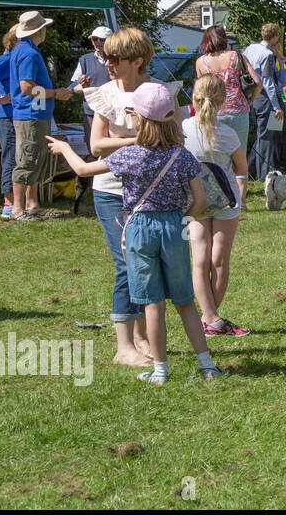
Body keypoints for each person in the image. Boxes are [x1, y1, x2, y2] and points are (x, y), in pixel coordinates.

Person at [47, 82, 224, 383]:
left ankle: (160, 370)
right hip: (173, 226)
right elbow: (200, 201)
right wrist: (181, 214)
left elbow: (83, 171)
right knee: (184, 301)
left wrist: (64, 148)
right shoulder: (181, 156)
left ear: (139, 119)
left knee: (152, 302)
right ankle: (207, 365)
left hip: (140, 227)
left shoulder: (130, 155)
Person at [82, 27, 160, 365]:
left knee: (144, 262)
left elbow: (171, 139)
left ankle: (142, 336)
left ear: (137, 61)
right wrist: (134, 142)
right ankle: (123, 347)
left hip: (149, 191)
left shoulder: (157, 92)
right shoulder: (105, 94)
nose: (107, 63)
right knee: (124, 263)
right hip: (111, 192)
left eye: (114, 58)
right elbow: (95, 146)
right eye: (105, 57)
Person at [182, 74, 250, 337]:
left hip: (194, 199)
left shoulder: (182, 129)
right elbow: (241, 167)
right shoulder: (228, 133)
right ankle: (211, 318)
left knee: (199, 260)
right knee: (219, 260)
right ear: (222, 101)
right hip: (226, 199)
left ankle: (210, 317)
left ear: (194, 98)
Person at [9, 10, 73, 221]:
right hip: (31, 114)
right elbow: (27, 87)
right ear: (39, 30)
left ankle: (33, 205)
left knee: (36, 159)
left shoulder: (24, 50)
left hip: (34, 113)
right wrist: (56, 93)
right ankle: (18, 209)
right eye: (44, 27)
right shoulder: (29, 53)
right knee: (28, 159)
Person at [195, 26, 261, 172]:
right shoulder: (237, 56)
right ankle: (240, 192)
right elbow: (257, 82)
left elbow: (200, 90)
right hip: (238, 110)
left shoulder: (201, 62)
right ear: (223, 38)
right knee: (240, 156)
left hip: (214, 111)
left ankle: (221, 189)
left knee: (216, 156)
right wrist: (250, 101)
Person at [244, 23, 286, 179]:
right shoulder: (267, 54)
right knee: (268, 137)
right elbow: (268, 82)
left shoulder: (250, 48)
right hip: (264, 98)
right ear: (275, 37)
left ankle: (251, 170)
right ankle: (265, 174)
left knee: (259, 135)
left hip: (252, 96)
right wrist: (276, 106)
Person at [69, 26, 113, 156]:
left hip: (114, 111)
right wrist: (83, 86)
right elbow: (73, 88)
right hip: (91, 112)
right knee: (93, 149)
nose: (98, 42)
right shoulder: (85, 60)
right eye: (95, 39)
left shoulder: (119, 59)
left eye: (102, 39)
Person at [0, 27, 18, 218]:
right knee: (10, 156)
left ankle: (18, 201)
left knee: (18, 157)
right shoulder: (6, 59)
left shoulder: (17, 58)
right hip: (7, 115)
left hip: (20, 114)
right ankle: (8, 203)